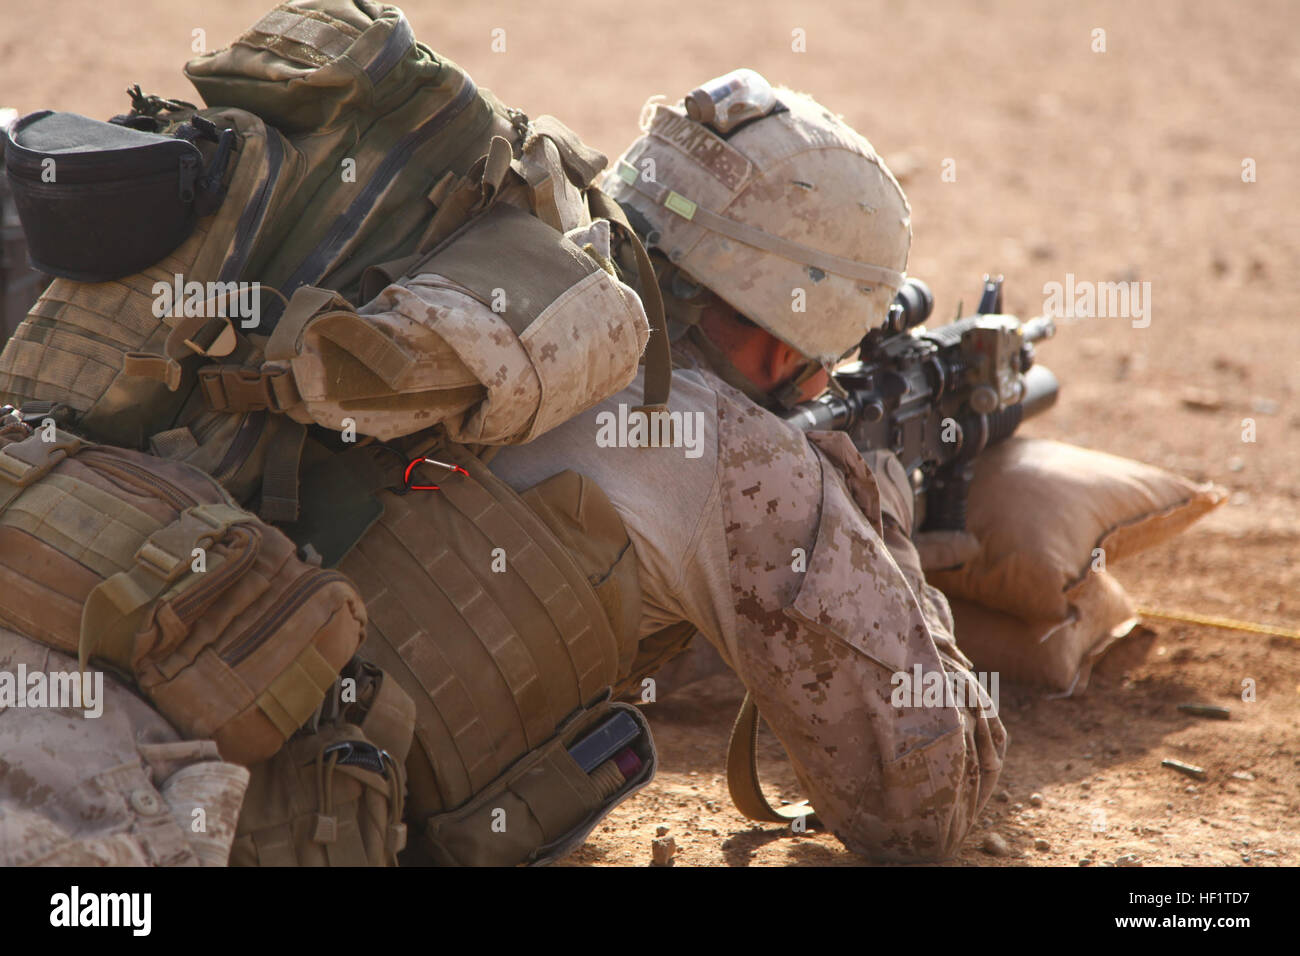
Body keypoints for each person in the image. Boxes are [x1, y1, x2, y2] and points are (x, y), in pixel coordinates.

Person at [482, 76, 1008, 860]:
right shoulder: (728, 456)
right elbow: (919, 809)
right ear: (781, 345)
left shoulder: (502, 303)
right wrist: (880, 520)